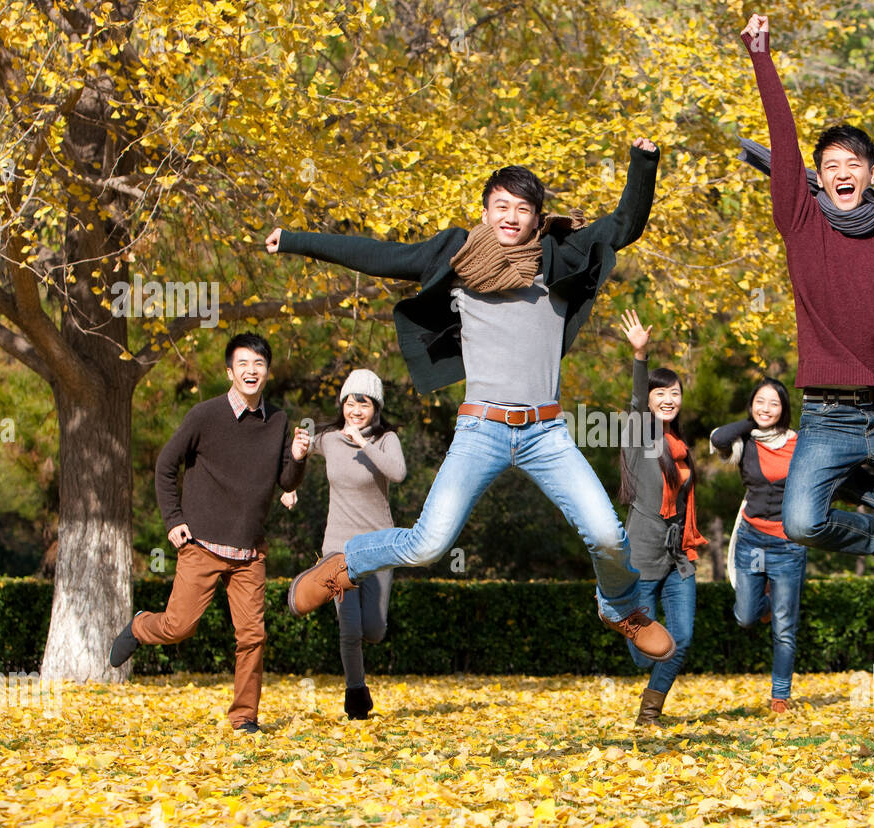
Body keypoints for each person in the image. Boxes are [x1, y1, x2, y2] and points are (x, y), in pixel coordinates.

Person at [265, 138, 675, 662]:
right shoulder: (456, 257)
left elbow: (624, 225)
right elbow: (379, 255)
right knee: (428, 544)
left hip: (545, 432)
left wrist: (643, 163)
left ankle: (620, 609)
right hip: (481, 430)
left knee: (607, 535)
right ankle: (343, 565)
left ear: (536, 217)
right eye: (500, 206)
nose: (511, 217)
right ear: (485, 211)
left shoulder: (559, 258)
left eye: (522, 209)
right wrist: (297, 240)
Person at [736, 13, 874, 597]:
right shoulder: (802, 223)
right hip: (827, 417)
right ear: (819, 176)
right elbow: (783, 145)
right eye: (830, 165)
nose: (841, 173)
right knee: (802, 522)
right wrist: (763, 57)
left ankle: (870, 493)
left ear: (871, 174)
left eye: (852, 165)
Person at [109, 333, 311, 733]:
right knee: (178, 627)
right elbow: (165, 466)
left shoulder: (279, 421)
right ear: (229, 372)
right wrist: (173, 521)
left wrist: (299, 459)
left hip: (250, 551)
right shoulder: (205, 415)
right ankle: (138, 626)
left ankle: (244, 717)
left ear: (267, 372)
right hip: (202, 543)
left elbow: (285, 479)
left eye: (259, 364)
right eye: (243, 364)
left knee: (252, 635)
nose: (251, 371)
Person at [281, 369, 406, 720]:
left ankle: (357, 686)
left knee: (374, 631)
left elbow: (398, 473)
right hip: (339, 549)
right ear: (342, 404)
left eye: (362, 403)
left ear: (375, 407)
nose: (355, 409)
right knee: (349, 628)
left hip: (379, 545)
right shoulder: (330, 438)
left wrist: (363, 442)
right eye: (349, 402)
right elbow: (297, 454)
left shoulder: (385, 440)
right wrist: (291, 483)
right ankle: (356, 697)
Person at [617, 309, 707, 726]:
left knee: (684, 638)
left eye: (675, 393)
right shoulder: (640, 435)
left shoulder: (679, 445)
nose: (669, 399)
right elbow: (637, 400)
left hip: (677, 558)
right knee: (642, 654)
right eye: (661, 393)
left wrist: (690, 545)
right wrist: (641, 355)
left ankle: (649, 712)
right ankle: (619, 621)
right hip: (643, 559)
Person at [710, 377, 806, 714]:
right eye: (760, 402)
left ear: (784, 409)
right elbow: (718, 438)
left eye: (774, 404)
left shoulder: (799, 443)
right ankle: (763, 607)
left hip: (788, 546)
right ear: (752, 405)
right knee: (747, 616)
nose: (766, 408)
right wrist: (752, 424)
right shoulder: (744, 441)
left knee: (785, 626)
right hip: (752, 542)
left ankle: (780, 695)